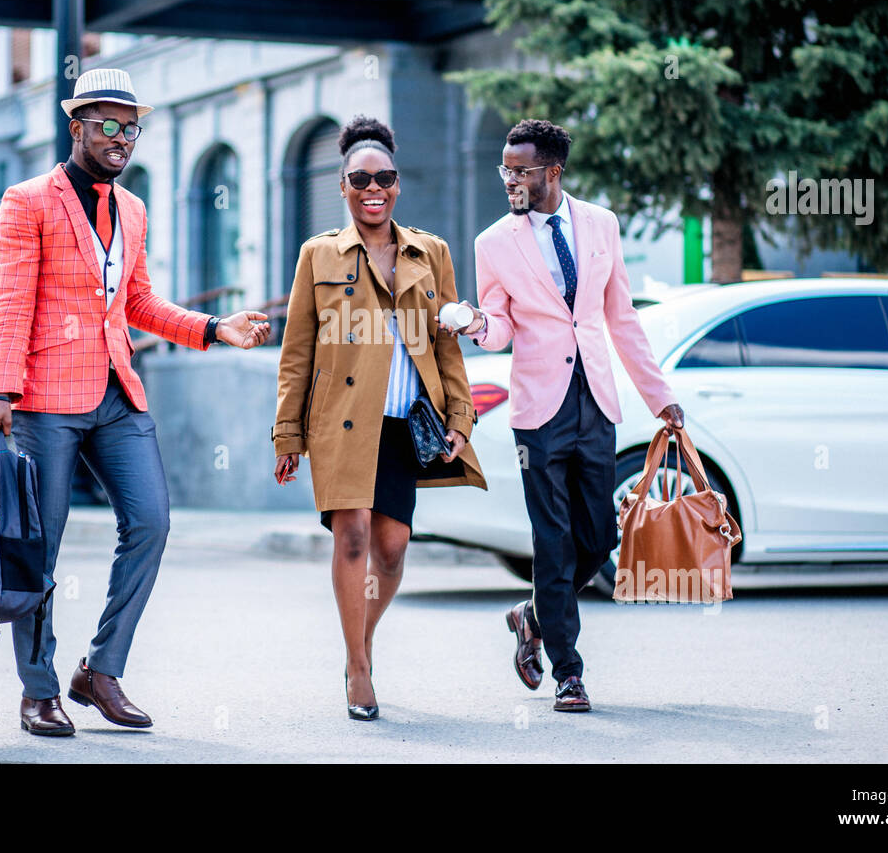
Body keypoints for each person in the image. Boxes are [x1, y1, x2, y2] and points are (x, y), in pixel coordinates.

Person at [0, 67, 270, 737]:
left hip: (117, 394)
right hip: (47, 399)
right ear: (75, 126)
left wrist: (211, 328)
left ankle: (101, 670)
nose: (121, 137)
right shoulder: (29, 201)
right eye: (107, 124)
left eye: (131, 126)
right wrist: (2, 392)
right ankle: (38, 689)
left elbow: (135, 302)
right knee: (38, 548)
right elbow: (12, 304)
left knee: (151, 522)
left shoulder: (132, 208)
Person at [444, 119, 683, 713]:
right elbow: (500, 329)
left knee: (599, 540)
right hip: (539, 410)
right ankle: (568, 673)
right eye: (505, 169)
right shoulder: (493, 241)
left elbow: (620, 316)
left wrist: (660, 397)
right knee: (551, 541)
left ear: (553, 171)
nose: (510, 180)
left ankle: (533, 614)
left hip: (596, 400)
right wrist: (474, 323)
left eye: (520, 169)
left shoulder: (600, 224)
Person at [273, 115, 486, 720]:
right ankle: (359, 671)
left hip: (402, 422)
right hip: (339, 420)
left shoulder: (431, 251)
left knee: (392, 549)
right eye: (361, 178)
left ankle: (358, 642)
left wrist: (461, 417)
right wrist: (288, 434)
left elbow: (446, 342)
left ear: (397, 183)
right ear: (342, 184)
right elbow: (297, 353)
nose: (375, 188)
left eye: (385, 177)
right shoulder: (318, 255)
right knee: (355, 536)